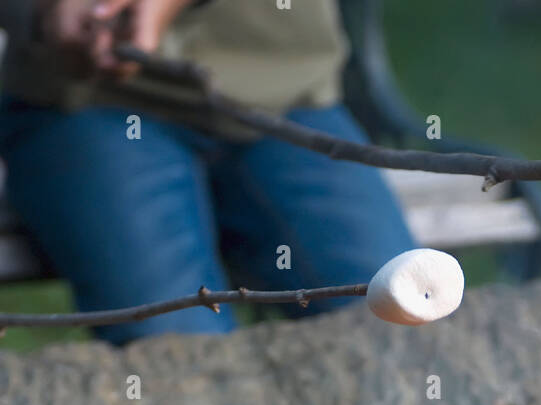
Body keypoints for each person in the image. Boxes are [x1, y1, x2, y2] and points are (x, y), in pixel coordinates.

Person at [0, 0, 415, 343]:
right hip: (81, 102)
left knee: (400, 319)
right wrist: (38, 11)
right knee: (175, 355)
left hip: (286, 87)